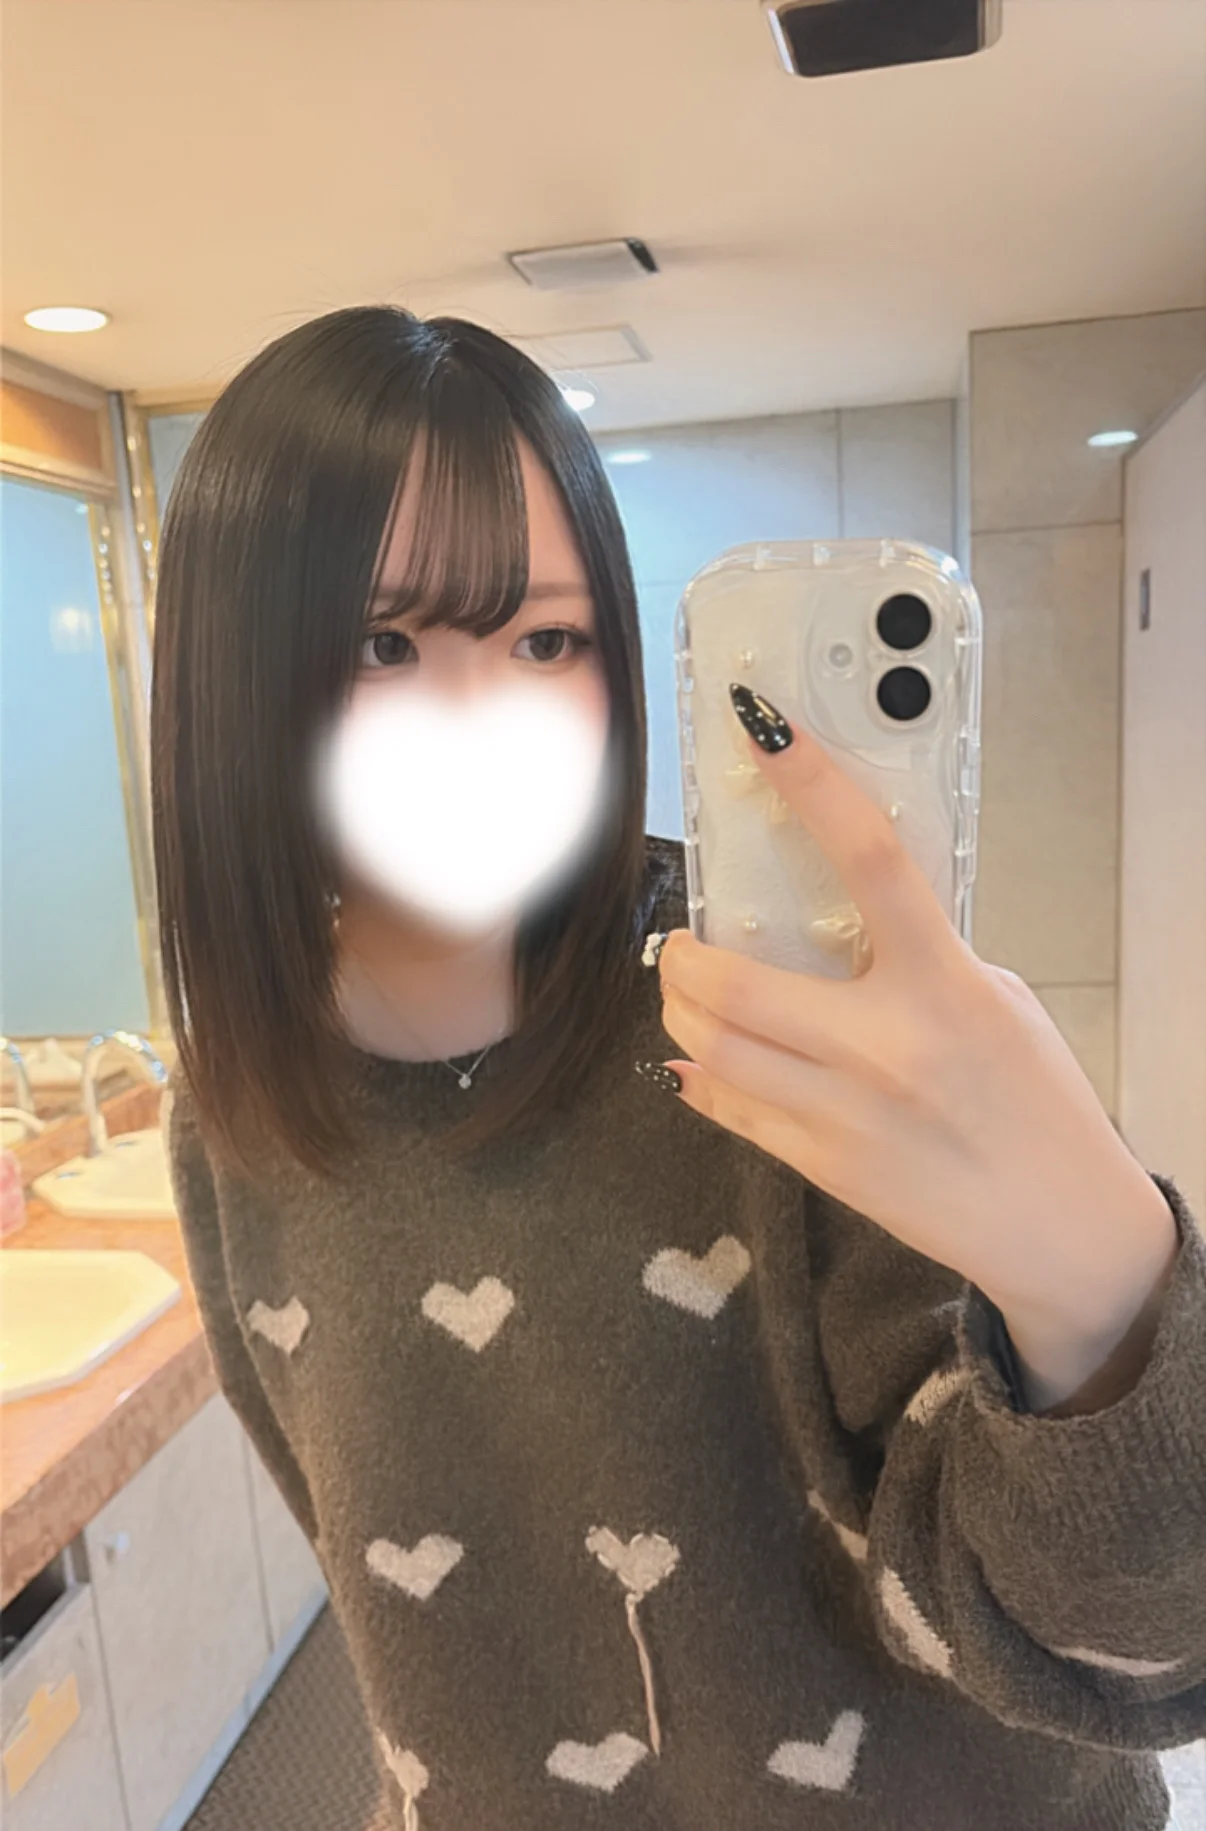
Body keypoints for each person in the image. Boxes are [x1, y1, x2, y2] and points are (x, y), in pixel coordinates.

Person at [153, 307, 1205, 1831]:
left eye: (546, 640)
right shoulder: (231, 1121)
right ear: (226, 686)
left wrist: (1103, 1294)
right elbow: (412, 1633)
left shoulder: (760, 1026)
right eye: (384, 643)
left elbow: (1128, 1651)